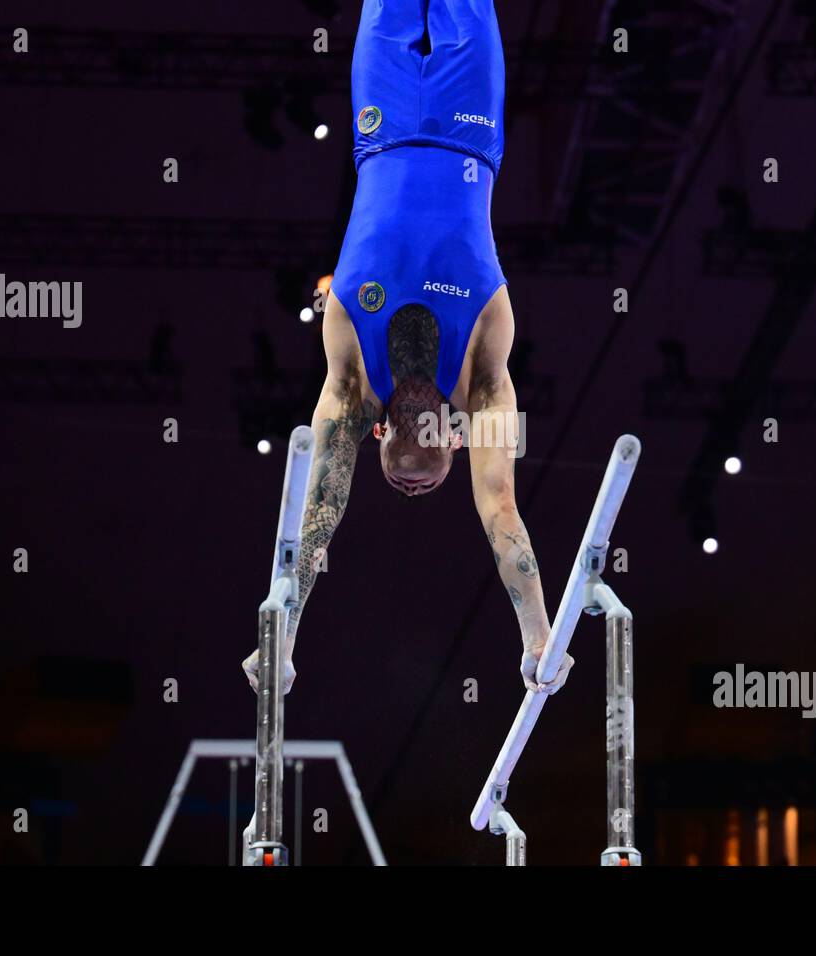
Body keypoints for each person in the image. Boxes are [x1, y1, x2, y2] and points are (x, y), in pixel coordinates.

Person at [243, 0, 574, 699]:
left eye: (402, 471)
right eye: (425, 473)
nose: (413, 473)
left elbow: (330, 514)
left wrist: (282, 632)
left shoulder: (398, 372)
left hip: (424, 125)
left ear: (389, 432)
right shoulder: (435, 372)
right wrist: (539, 634)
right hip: (426, 122)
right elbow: (493, 510)